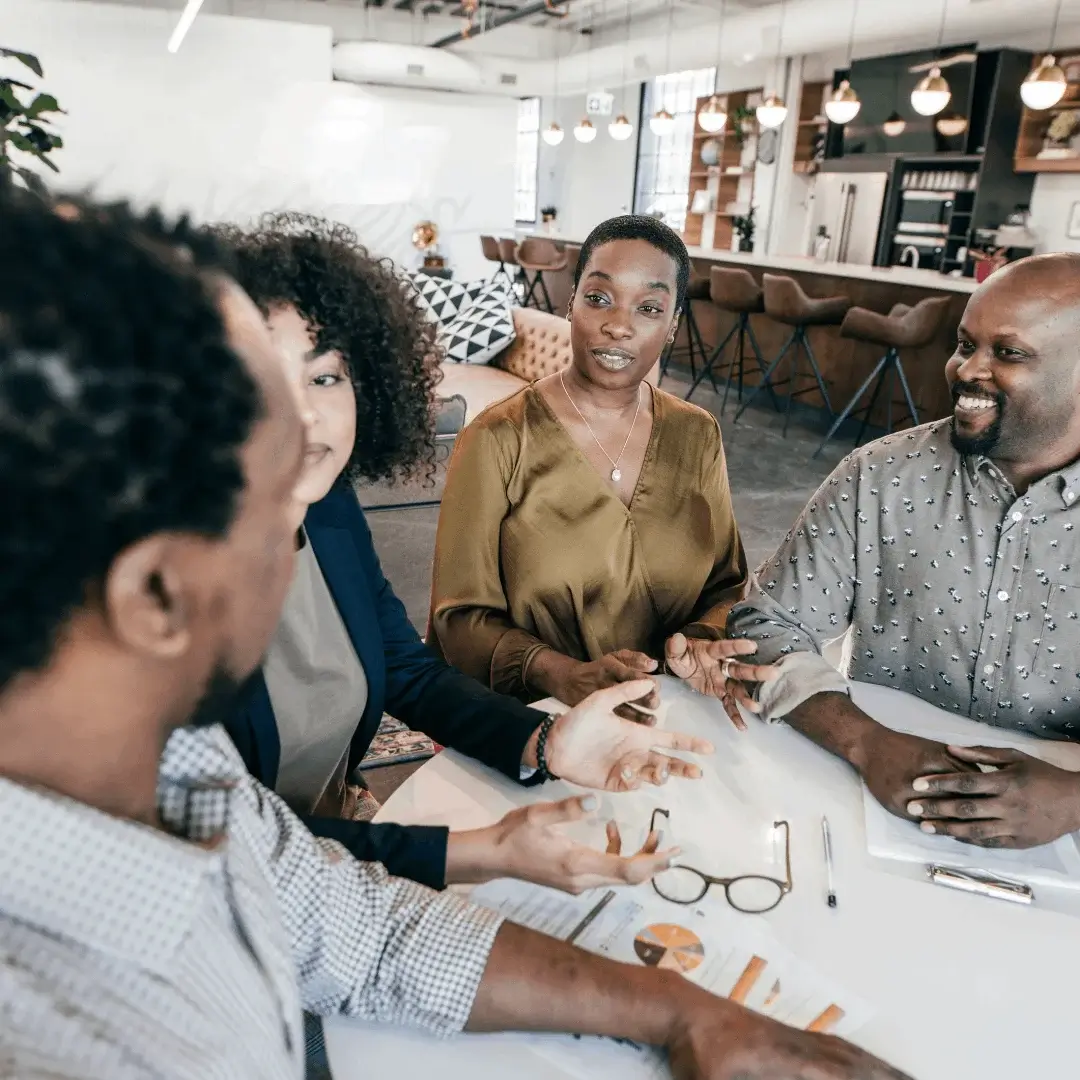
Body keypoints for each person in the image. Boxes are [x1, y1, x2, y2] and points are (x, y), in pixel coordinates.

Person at [0, 189, 910, 1080]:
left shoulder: (178, 772)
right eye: (267, 494)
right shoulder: (60, 1037)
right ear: (158, 593)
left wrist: (686, 1012)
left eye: (326, 378)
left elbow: (356, 929)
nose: (302, 503)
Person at [223, 213, 711, 894]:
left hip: (347, 835)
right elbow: (219, 841)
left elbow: (406, 672)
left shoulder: (328, 509)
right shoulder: (149, 589)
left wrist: (546, 743)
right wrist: (477, 850)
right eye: (257, 380)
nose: (301, 416)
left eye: (326, 378)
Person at [728, 252, 1080, 851]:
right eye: (965, 344)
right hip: (875, 809)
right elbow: (766, 623)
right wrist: (866, 742)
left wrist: (1074, 800)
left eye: (1007, 352)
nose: (967, 370)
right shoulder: (882, 475)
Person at [429, 215, 776, 728]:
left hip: (675, 718)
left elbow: (726, 584)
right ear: (570, 303)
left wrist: (700, 642)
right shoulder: (497, 438)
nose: (619, 324)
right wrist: (561, 674)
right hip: (539, 729)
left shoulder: (696, 434)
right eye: (598, 298)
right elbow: (459, 620)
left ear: (673, 324)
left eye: (650, 308)